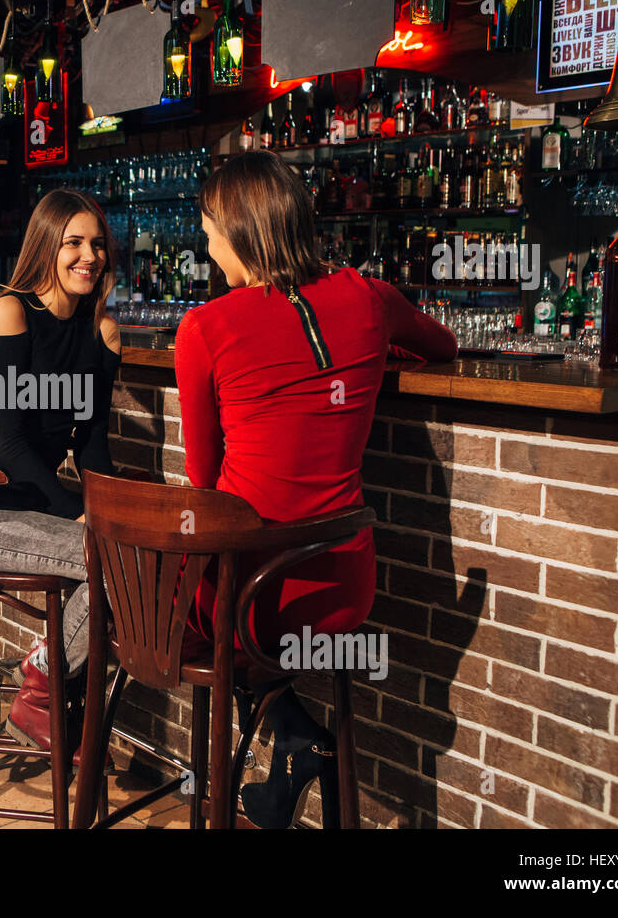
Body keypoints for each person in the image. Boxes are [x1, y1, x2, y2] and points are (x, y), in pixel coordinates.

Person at [174, 150, 457, 827]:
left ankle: (291, 738)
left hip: (248, 599)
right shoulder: (369, 296)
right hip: (344, 588)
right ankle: (293, 748)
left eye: (211, 232)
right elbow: (441, 346)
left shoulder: (205, 328)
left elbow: (204, 482)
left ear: (241, 232)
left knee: (177, 584)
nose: (208, 251)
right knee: (227, 583)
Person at [0, 188, 121, 752]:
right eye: (74, 243)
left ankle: (40, 680)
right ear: (46, 246)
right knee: (106, 559)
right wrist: (79, 514)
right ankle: (43, 699)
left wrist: (109, 508)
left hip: (33, 511)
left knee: (127, 552)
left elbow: (91, 448)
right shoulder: (9, 313)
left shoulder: (100, 331)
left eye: (98, 244)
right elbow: (9, 445)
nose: (89, 256)